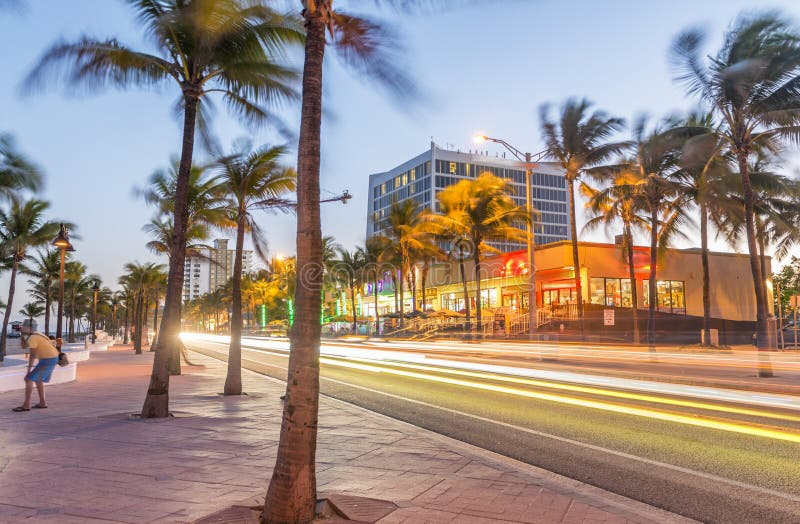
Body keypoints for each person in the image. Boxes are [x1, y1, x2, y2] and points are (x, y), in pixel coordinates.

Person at [12, 327, 60, 412]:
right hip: (51, 358)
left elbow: (32, 355)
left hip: (48, 359)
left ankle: (26, 405)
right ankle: (42, 403)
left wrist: (28, 370)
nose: (22, 331)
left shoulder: (32, 337)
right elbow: (25, 346)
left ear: (29, 328)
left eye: (23, 329)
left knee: (28, 379)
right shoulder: (37, 333)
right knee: (38, 380)